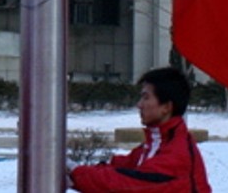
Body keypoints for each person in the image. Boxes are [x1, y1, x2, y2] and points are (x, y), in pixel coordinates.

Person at [69, 67, 212, 193]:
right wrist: (75, 172)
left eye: (146, 98)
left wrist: (75, 172)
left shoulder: (176, 154)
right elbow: (122, 167)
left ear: (166, 107)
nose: (139, 104)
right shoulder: (155, 144)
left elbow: (123, 185)